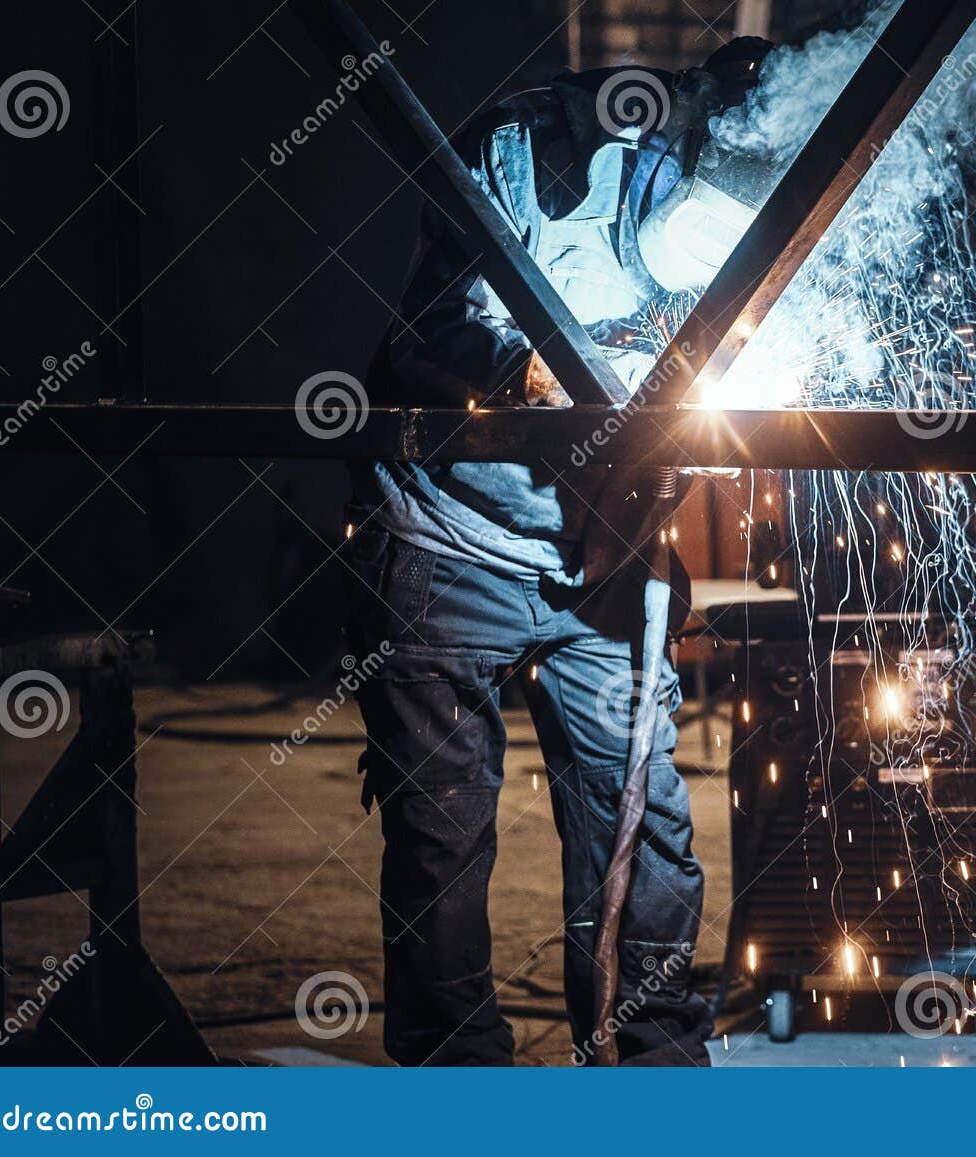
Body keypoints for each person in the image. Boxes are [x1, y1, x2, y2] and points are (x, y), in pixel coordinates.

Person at [343, 38, 772, 1067]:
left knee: (648, 826)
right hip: (453, 529)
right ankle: (461, 1084)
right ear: (675, 146)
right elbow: (438, 333)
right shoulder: (526, 150)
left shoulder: (752, 185)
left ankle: (651, 1068)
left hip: (605, 554)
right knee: (442, 834)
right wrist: (544, 375)